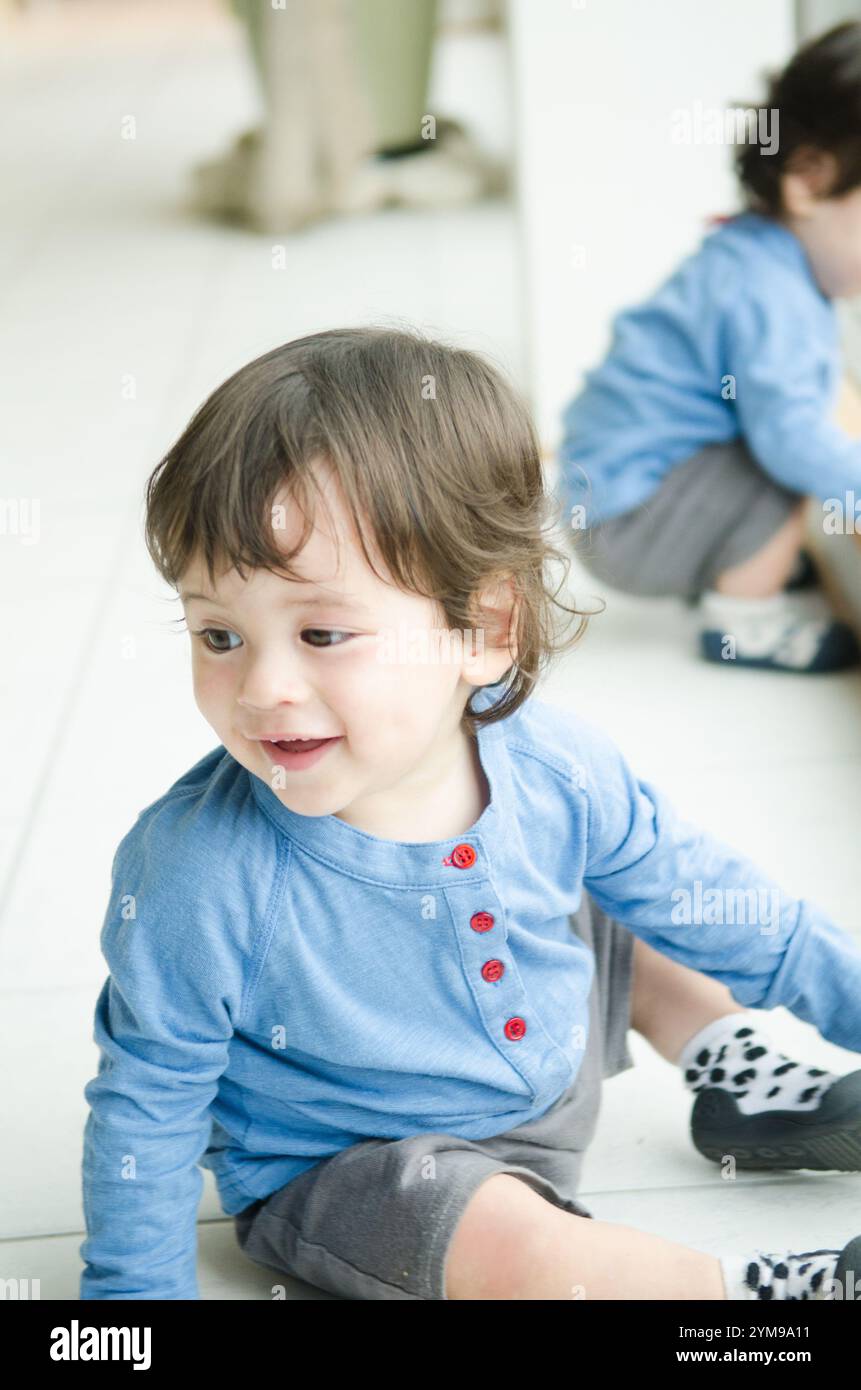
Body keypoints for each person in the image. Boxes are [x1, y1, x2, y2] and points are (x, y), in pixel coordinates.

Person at [79, 327, 861, 1301]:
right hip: (365, 1169)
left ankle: (728, 1059)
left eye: (322, 631)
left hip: (548, 1070)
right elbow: (146, 1106)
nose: (263, 687)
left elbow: (734, 912)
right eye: (219, 634)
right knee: (523, 1250)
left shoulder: (557, 771)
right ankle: (761, 1295)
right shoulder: (196, 869)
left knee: (637, 894)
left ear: (484, 628)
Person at [556, 21, 861, 674]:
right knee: (787, 451)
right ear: (807, 182)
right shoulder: (769, 294)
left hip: (614, 491)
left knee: (783, 438)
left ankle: (731, 550)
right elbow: (793, 440)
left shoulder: (758, 252)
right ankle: (743, 623)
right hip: (627, 522)